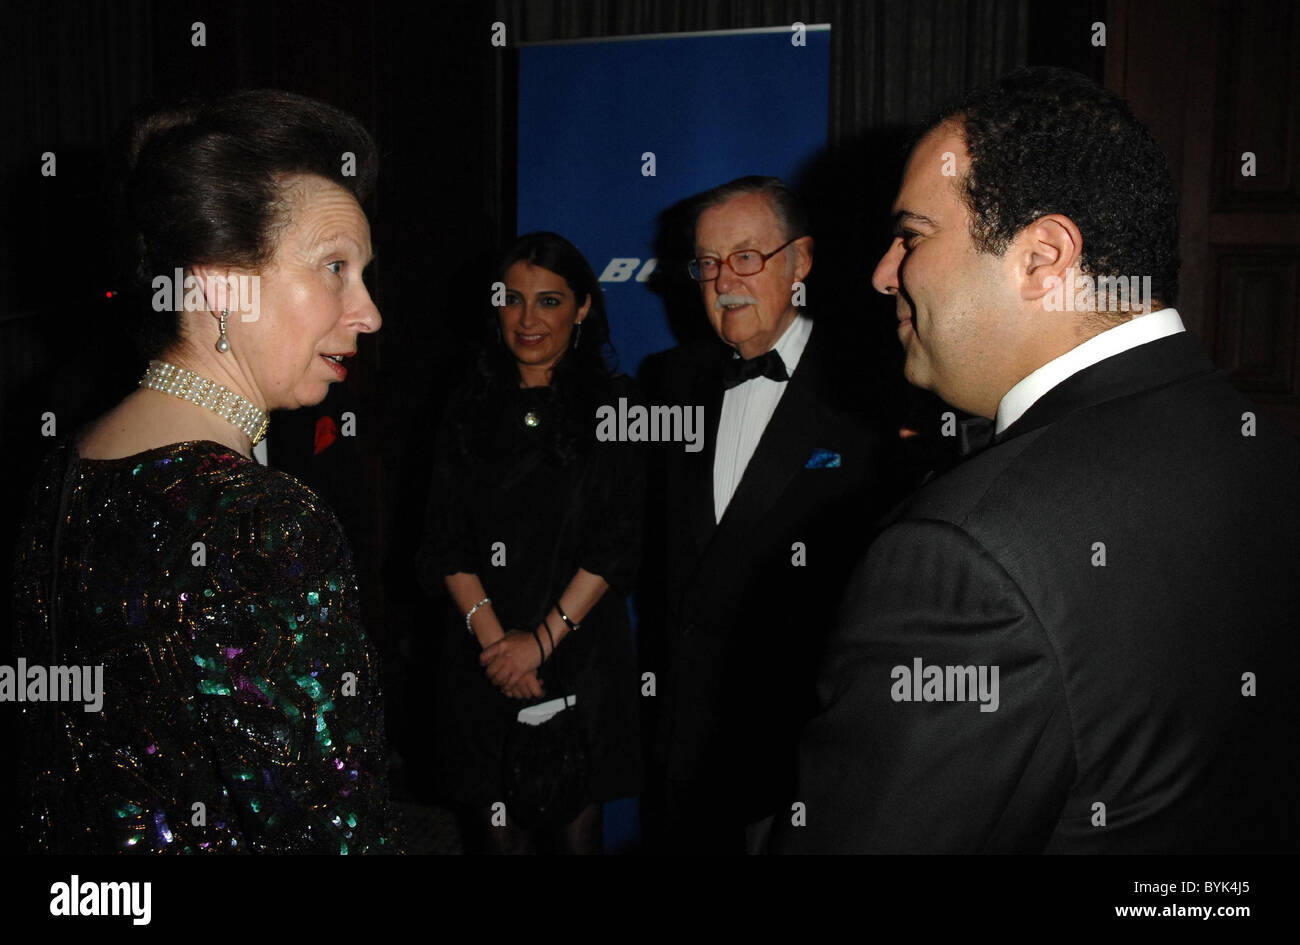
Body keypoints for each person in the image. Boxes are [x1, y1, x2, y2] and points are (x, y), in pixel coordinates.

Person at [778, 67, 1300, 853]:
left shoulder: (960, 558)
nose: (885, 273)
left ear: (1043, 257)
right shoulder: (1259, 446)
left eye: (912, 237)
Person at [10, 90, 396, 853]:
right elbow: (335, 834)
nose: (369, 312)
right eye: (334, 268)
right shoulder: (258, 521)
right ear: (223, 283)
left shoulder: (66, 464)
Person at [645, 177, 888, 853]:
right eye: (708, 262)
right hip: (680, 741)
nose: (724, 280)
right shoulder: (669, 378)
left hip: (798, 749)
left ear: (800, 262)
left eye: (747, 256)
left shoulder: (870, 388)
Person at [416, 232, 643, 855]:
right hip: (482, 656)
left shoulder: (618, 407)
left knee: (579, 840)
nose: (528, 319)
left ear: (583, 309)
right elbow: (443, 544)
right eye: (512, 300)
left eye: (548, 301)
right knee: (496, 844)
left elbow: (619, 542)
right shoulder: (464, 405)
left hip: (581, 650)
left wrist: (540, 644)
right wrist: (501, 650)